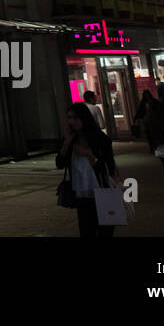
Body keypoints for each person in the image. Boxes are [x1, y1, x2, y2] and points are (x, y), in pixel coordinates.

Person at [56, 102, 120, 237]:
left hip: (102, 193)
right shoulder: (71, 141)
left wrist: (89, 155)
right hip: (81, 196)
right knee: (86, 232)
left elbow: (107, 167)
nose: (72, 121)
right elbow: (59, 164)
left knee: (105, 233)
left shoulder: (100, 139)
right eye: (69, 118)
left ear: (84, 118)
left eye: (75, 118)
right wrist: (67, 142)